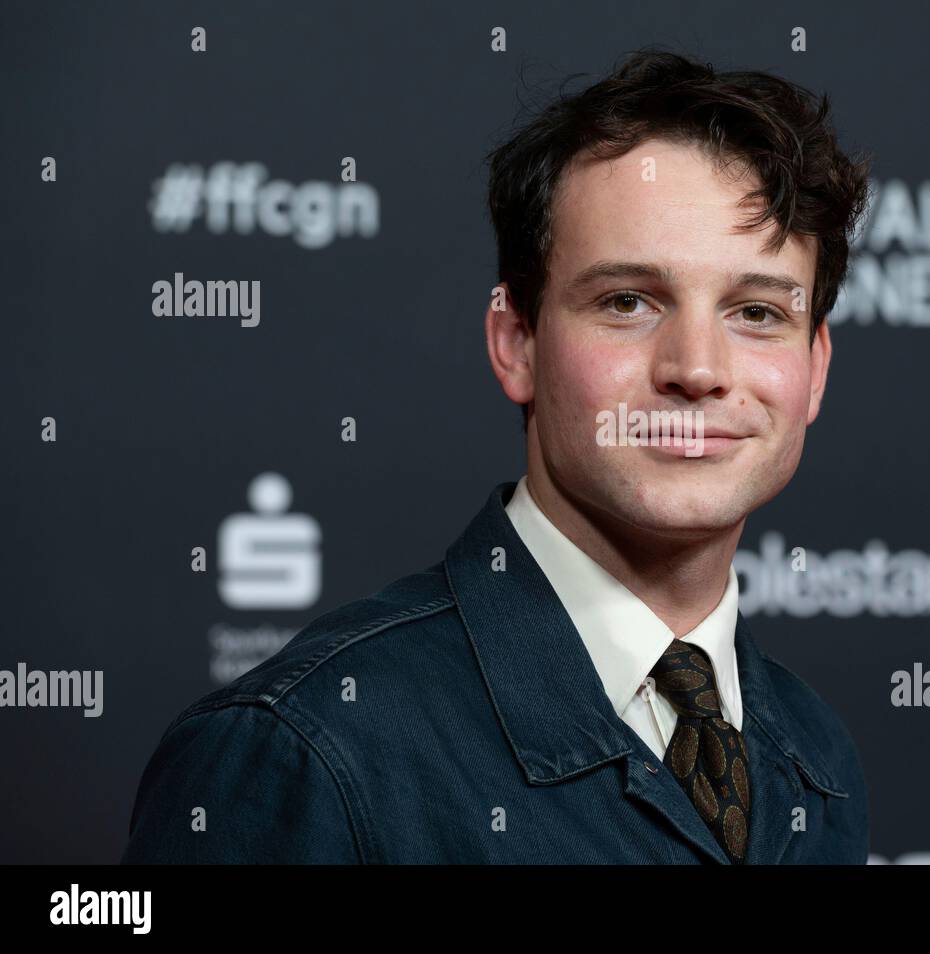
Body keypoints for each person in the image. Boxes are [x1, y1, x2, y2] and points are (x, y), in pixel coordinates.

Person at [122, 47, 873, 864]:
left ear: (814, 370)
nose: (696, 368)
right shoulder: (305, 752)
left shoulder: (814, 754)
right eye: (627, 302)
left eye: (756, 311)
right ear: (516, 342)